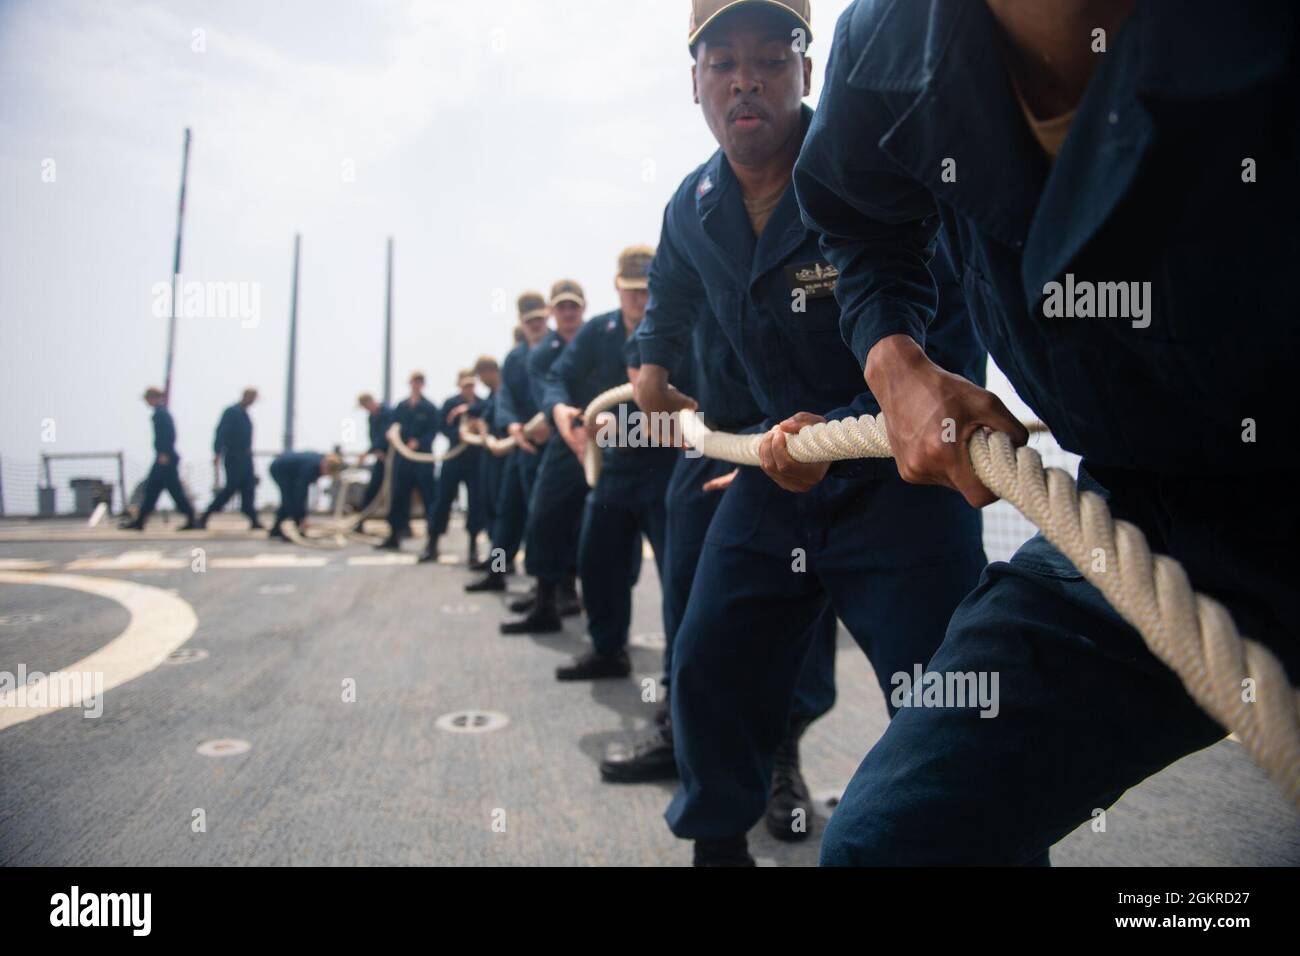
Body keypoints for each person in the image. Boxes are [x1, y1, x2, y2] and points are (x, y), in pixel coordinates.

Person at [792, 0, 1299, 865]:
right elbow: (856, 215)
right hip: (1134, 513)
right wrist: (895, 362)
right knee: (888, 844)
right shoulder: (887, 42)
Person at [632, 0, 987, 864]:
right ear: (695, 85)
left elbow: (946, 344)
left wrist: (826, 433)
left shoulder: (874, 173)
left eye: (770, 58)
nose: (745, 79)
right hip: (770, 473)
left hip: (897, 481)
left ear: (809, 73)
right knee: (708, 662)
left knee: (952, 707)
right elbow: (672, 289)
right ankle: (718, 842)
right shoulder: (697, 202)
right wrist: (650, 362)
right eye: (722, 63)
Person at [605, 303, 840, 844]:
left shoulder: (810, 235)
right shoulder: (691, 239)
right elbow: (652, 351)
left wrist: (769, 452)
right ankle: (683, 738)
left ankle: (782, 755)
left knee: (793, 603)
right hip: (702, 446)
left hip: (793, 444)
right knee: (688, 604)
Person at [545, 247, 677, 681]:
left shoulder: (679, 325)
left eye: (646, 290)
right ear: (617, 288)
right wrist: (563, 412)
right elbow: (558, 377)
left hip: (670, 466)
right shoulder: (598, 332)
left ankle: (679, 676)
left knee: (679, 570)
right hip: (617, 465)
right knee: (596, 556)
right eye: (631, 291)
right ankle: (607, 649)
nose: (639, 300)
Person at [499, 280, 589, 634]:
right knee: (543, 516)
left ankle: (583, 599)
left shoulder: (597, 336)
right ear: (554, 312)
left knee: (596, 525)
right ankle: (546, 601)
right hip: (561, 444)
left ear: (583, 308)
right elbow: (547, 396)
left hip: (607, 441)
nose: (567, 313)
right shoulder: (538, 355)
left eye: (573, 306)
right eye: (561, 307)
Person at [466, 293, 553, 593]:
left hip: (552, 445)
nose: (536, 325)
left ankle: (557, 587)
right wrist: (512, 425)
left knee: (545, 516)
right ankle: (498, 571)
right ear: (522, 323)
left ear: (548, 316)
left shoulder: (560, 348)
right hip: (520, 446)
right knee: (508, 513)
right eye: (530, 321)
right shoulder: (514, 358)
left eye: (540, 319)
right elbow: (505, 398)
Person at [375, 372, 440, 552]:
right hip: (402, 460)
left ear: (423, 384)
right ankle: (394, 535)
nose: (416, 385)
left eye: (420, 382)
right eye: (414, 382)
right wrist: (389, 437)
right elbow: (392, 426)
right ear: (410, 383)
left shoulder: (429, 408)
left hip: (422, 459)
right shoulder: (401, 407)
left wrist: (419, 442)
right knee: (398, 498)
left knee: (429, 499)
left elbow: (434, 430)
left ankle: (432, 540)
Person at [425, 371, 485, 564]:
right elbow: (442, 426)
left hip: (475, 459)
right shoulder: (450, 404)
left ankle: (476, 550)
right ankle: (432, 544)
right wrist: (456, 433)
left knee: (477, 503)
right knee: (442, 499)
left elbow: (487, 422)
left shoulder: (482, 404)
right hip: (454, 458)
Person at [122, 387, 200, 531]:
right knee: (153, 491)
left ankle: (191, 518)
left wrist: (164, 453)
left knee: (171, 491)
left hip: (165, 458)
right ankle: (140, 521)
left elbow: (168, 434)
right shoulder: (161, 413)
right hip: (164, 457)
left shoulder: (161, 414)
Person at [199, 388, 261, 529]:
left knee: (248, 487)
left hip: (245, 457)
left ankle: (253, 518)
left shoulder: (245, 414)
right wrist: (217, 452)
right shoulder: (232, 412)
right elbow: (221, 432)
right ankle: (206, 514)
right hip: (234, 456)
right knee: (231, 487)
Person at [468, 355, 505, 572]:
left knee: (502, 514)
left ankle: (500, 566)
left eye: (481, 375)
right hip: (492, 456)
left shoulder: (506, 391)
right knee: (493, 512)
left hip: (505, 457)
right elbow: (485, 414)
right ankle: (497, 564)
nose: (481, 381)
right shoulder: (494, 395)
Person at [267, 451, 343, 541]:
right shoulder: (311, 468)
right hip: (279, 469)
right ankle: (293, 527)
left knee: (289, 500)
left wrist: (302, 516)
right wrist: (301, 518)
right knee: (289, 499)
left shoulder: (319, 461)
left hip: (288, 470)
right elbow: (300, 494)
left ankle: (276, 530)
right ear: (326, 467)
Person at [357, 392, 392, 512]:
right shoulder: (372, 417)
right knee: (373, 487)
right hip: (381, 457)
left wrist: (369, 451)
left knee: (396, 489)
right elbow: (373, 437)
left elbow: (385, 435)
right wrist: (376, 450)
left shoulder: (388, 413)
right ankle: (362, 518)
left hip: (394, 457)